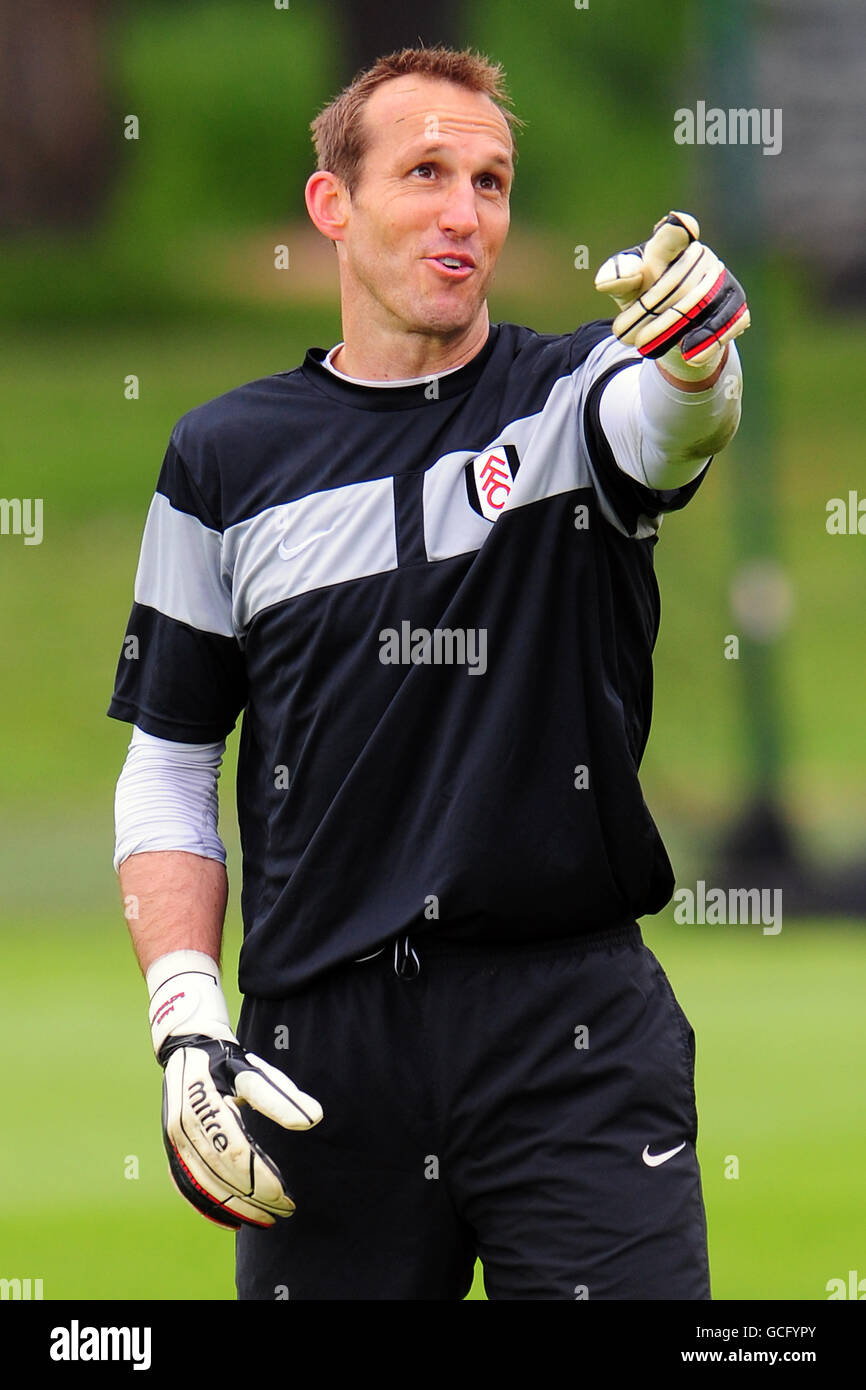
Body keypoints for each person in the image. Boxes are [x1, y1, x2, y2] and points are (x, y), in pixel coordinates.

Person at [109, 44, 749, 1301]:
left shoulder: (573, 393)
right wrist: (185, 1017)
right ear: (331, 206)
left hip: (567, 1028)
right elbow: (171, 761)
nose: (465, 212)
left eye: (493, 181)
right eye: (425, 173)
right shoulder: (223, 460)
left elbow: (677, 419)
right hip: (318, 1056)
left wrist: (700, 351)